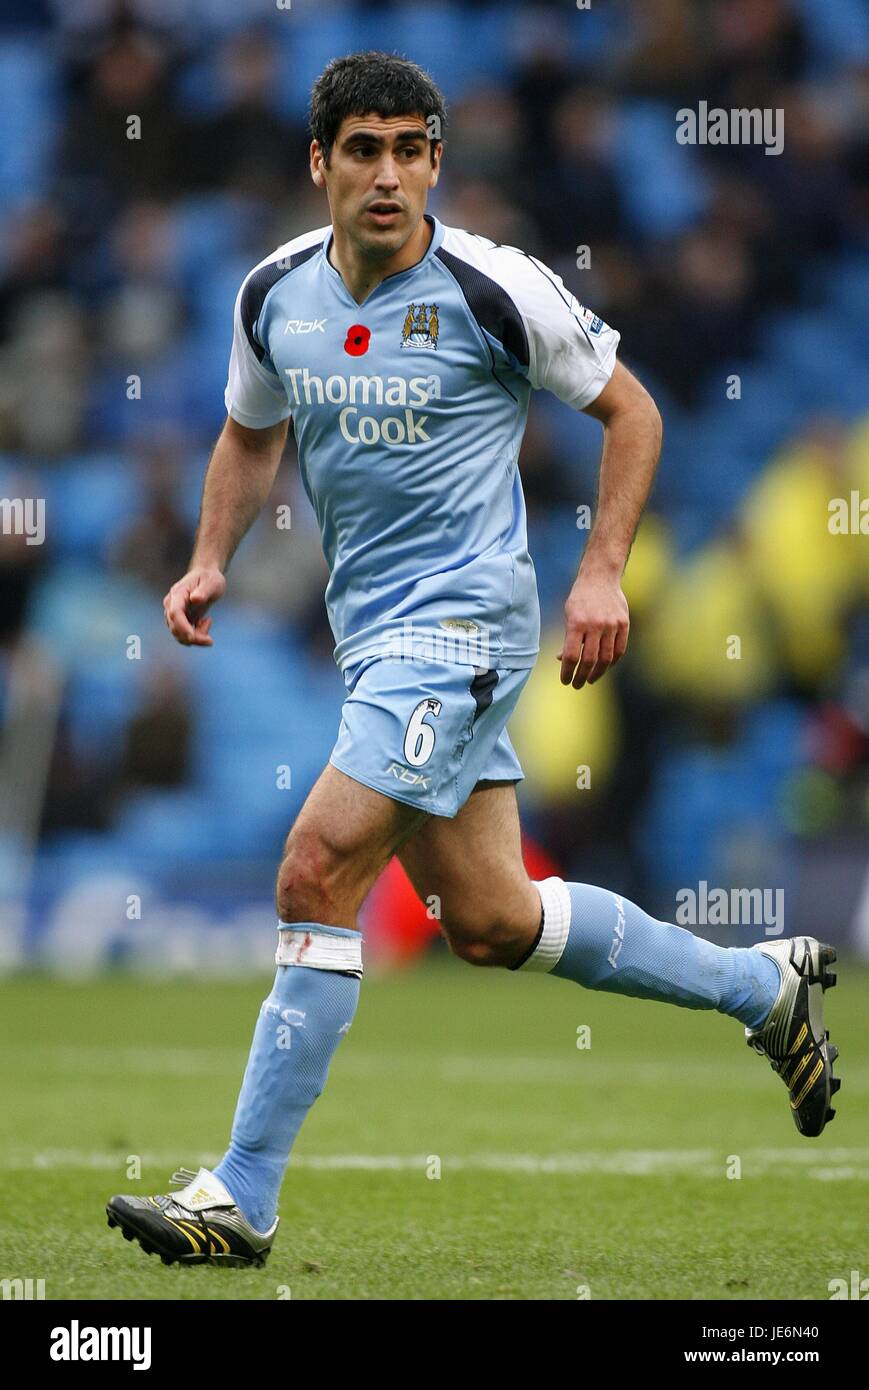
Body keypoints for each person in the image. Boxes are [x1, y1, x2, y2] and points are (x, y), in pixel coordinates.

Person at [106, 52, 839, 1269]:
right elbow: (247, 433)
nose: (386, 174)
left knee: (315, 865)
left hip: (463, 631)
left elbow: (633, 411)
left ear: (437, 161)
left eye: (409, 149)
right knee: (492, 920)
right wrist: (207, 558)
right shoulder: (271, 296)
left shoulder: (497, 289)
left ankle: (240, 1193)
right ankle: (757, 989)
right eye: (361, 150)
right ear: (320, 163)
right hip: (372, 637)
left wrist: (598, 572)